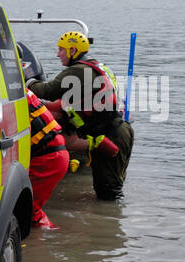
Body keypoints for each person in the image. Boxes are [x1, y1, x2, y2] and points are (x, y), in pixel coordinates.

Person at [29, 31, 135, 200]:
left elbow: (47, 91)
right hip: (121, 131)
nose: (58, 54)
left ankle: (109, 223)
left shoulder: (78, 70)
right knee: (110, 190)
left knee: (109, 196)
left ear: (72, 50)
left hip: (111, 136)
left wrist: (26, 80)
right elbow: (66, 103)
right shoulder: (98, 67)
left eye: (61, 50)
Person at [25, 89, 70, 229]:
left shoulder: (11, 93)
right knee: (28, 210)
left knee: (29, 211)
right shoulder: (18, 89)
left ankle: (47, 240)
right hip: (53, 154)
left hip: (49, 158)